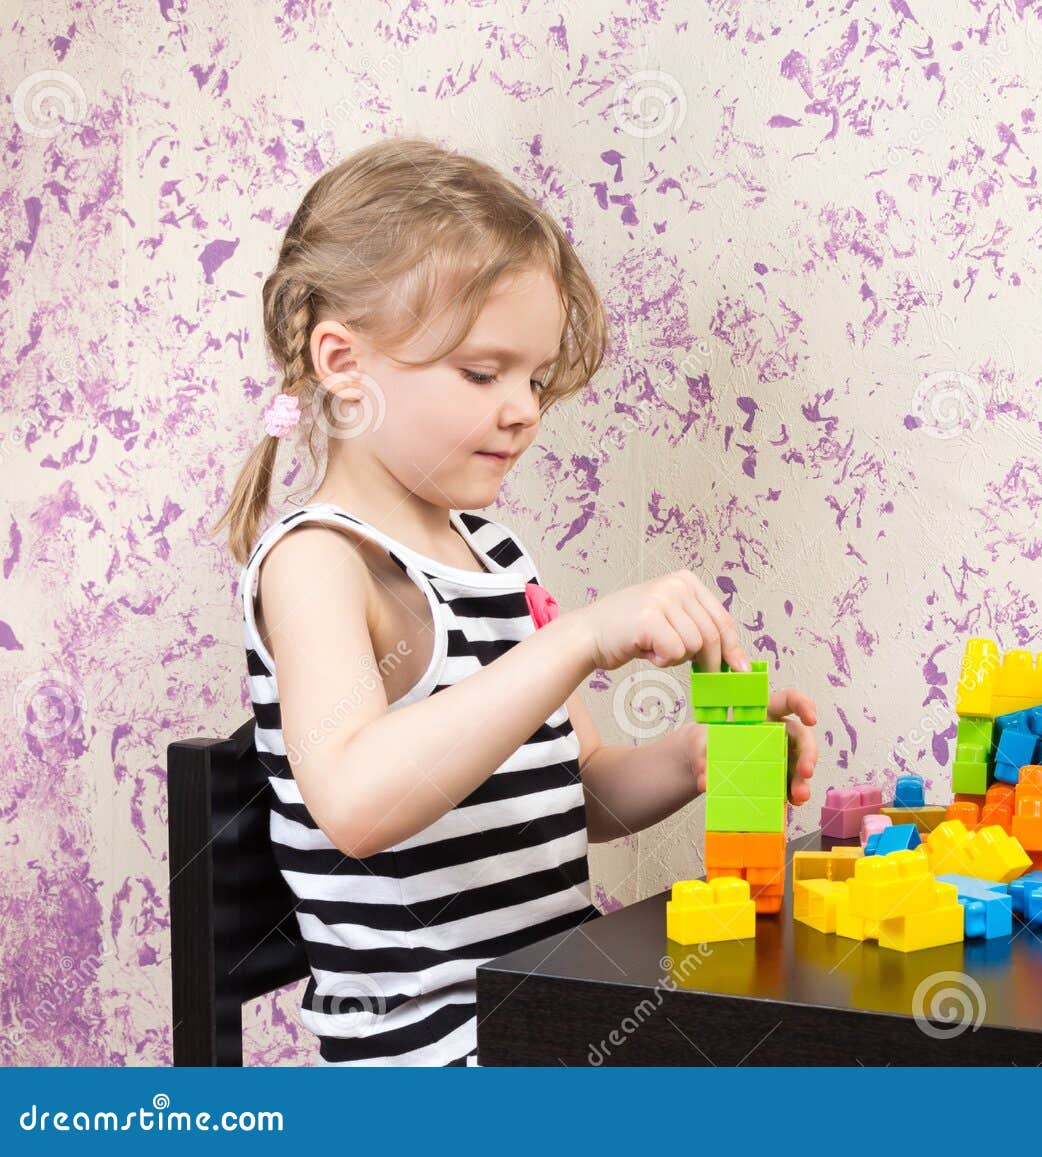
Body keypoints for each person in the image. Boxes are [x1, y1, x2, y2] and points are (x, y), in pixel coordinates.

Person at [213, 137, 818, 1065]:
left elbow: (584, 794)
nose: (525, 407)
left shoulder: (493, 554)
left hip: (555, 1012)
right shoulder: (321, 561)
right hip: (436, 1056)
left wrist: (704, 757)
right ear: (343, 362)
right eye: (483, 372)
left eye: (535, 378)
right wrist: (575, 640)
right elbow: (357, 801)